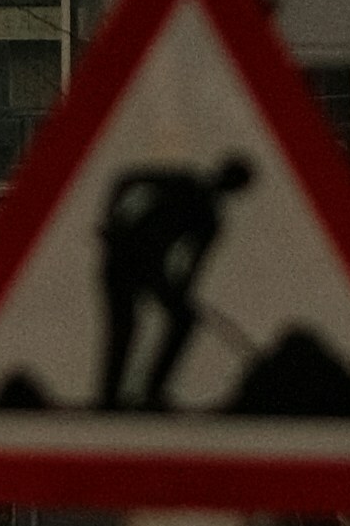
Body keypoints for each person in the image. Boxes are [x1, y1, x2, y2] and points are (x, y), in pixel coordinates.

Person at [93, 154, 250, 409]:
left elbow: (193, 268)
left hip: (150, 269)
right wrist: (113, 220)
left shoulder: (210, 221)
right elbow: (126, 178)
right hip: (123, 256)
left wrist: (181, 295)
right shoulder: (183, 183)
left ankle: (151, 393)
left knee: (182, 320)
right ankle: (110, 397)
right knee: (125, 326)